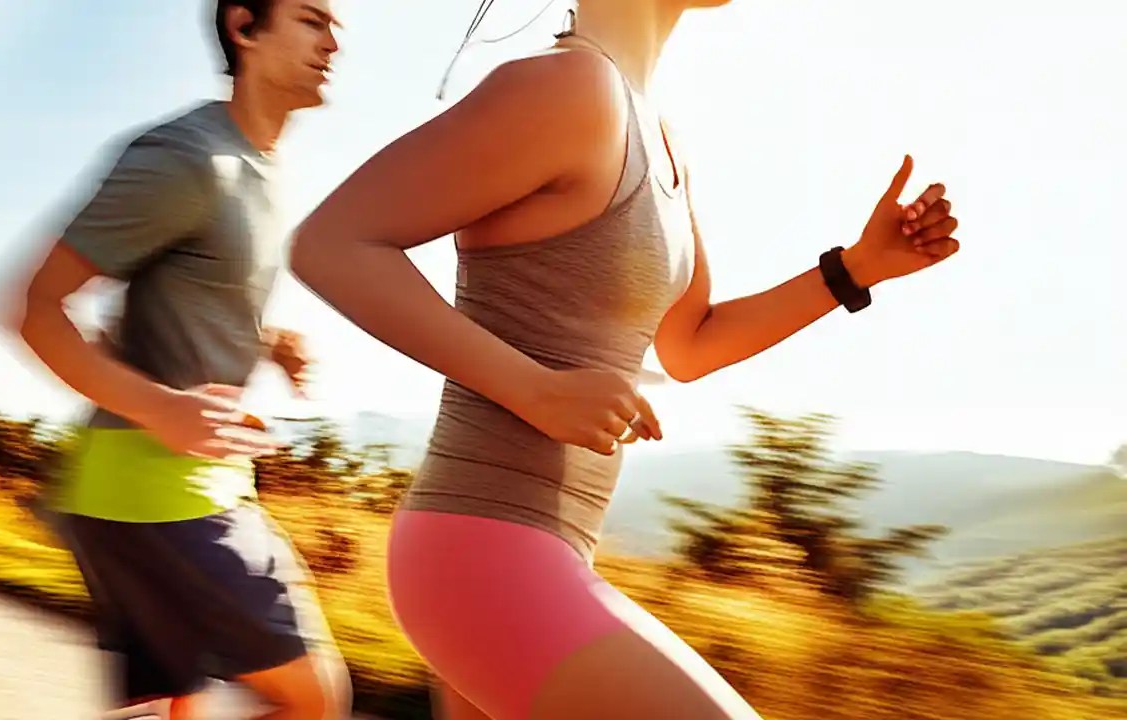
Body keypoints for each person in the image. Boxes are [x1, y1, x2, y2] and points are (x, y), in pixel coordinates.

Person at [286, 0, 961, 718]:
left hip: (541, 556)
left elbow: (691, 342)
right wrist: (534, 389)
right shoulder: (568, 89)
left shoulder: (657, 133)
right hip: (485, 552)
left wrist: (855, 269)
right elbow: (332, 242)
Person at [0, 1, 352, 718]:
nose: (335, 42)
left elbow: (189, 282)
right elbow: (34, 306)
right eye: (312, 20)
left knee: (165, 713)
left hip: (170, 491)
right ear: (245, 28)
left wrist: (268, 337)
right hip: (156, 498)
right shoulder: (189, 159)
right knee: (315, 700)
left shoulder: (264, 166)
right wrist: (160, 408)